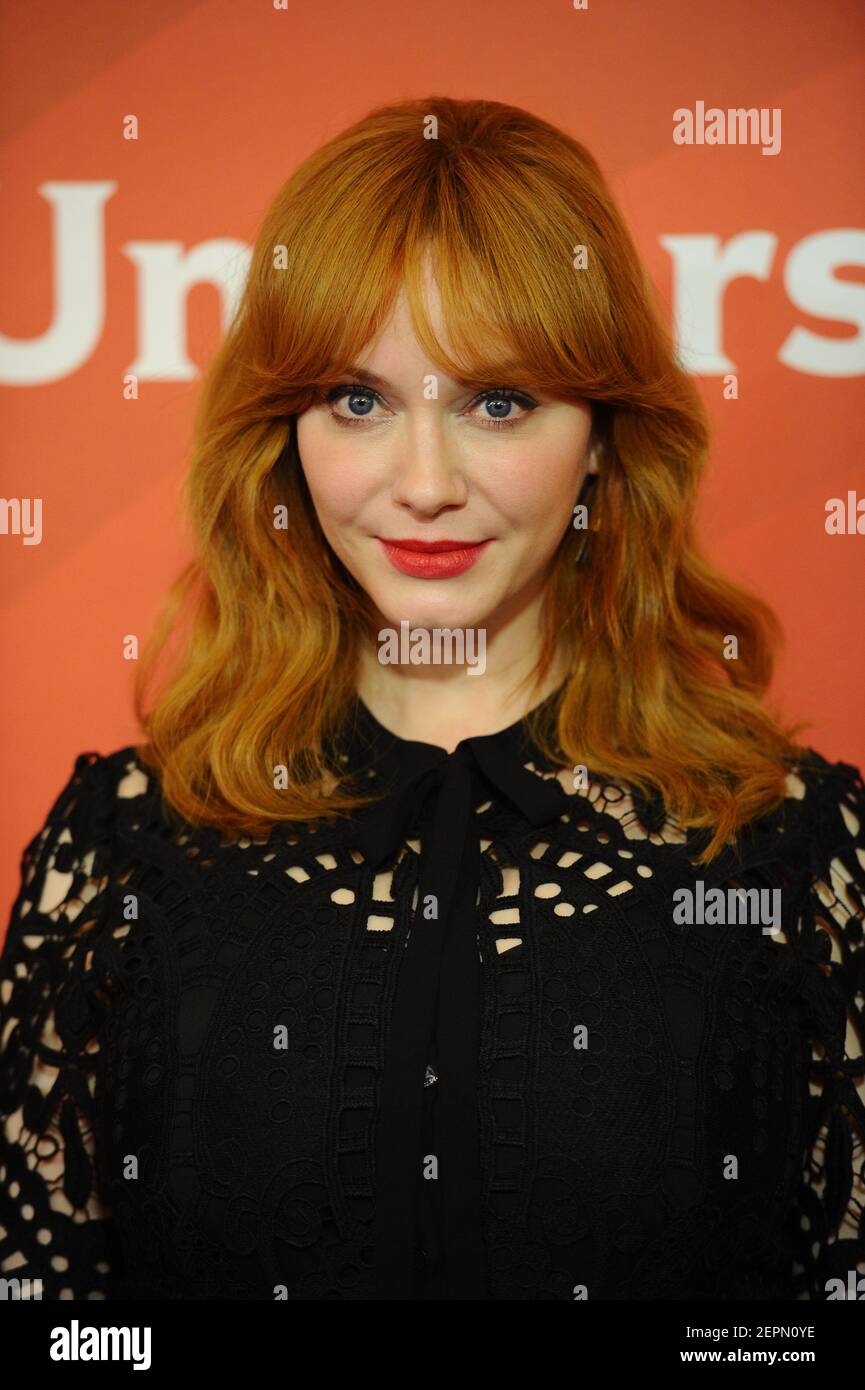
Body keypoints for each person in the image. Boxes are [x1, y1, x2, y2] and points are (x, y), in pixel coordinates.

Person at [1, 96, 863, 1302]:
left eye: (495, 402)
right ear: (283, 434)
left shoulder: (789, 853)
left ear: (606, 437)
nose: (422, 484)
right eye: (358, 400)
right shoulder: (122, 850)